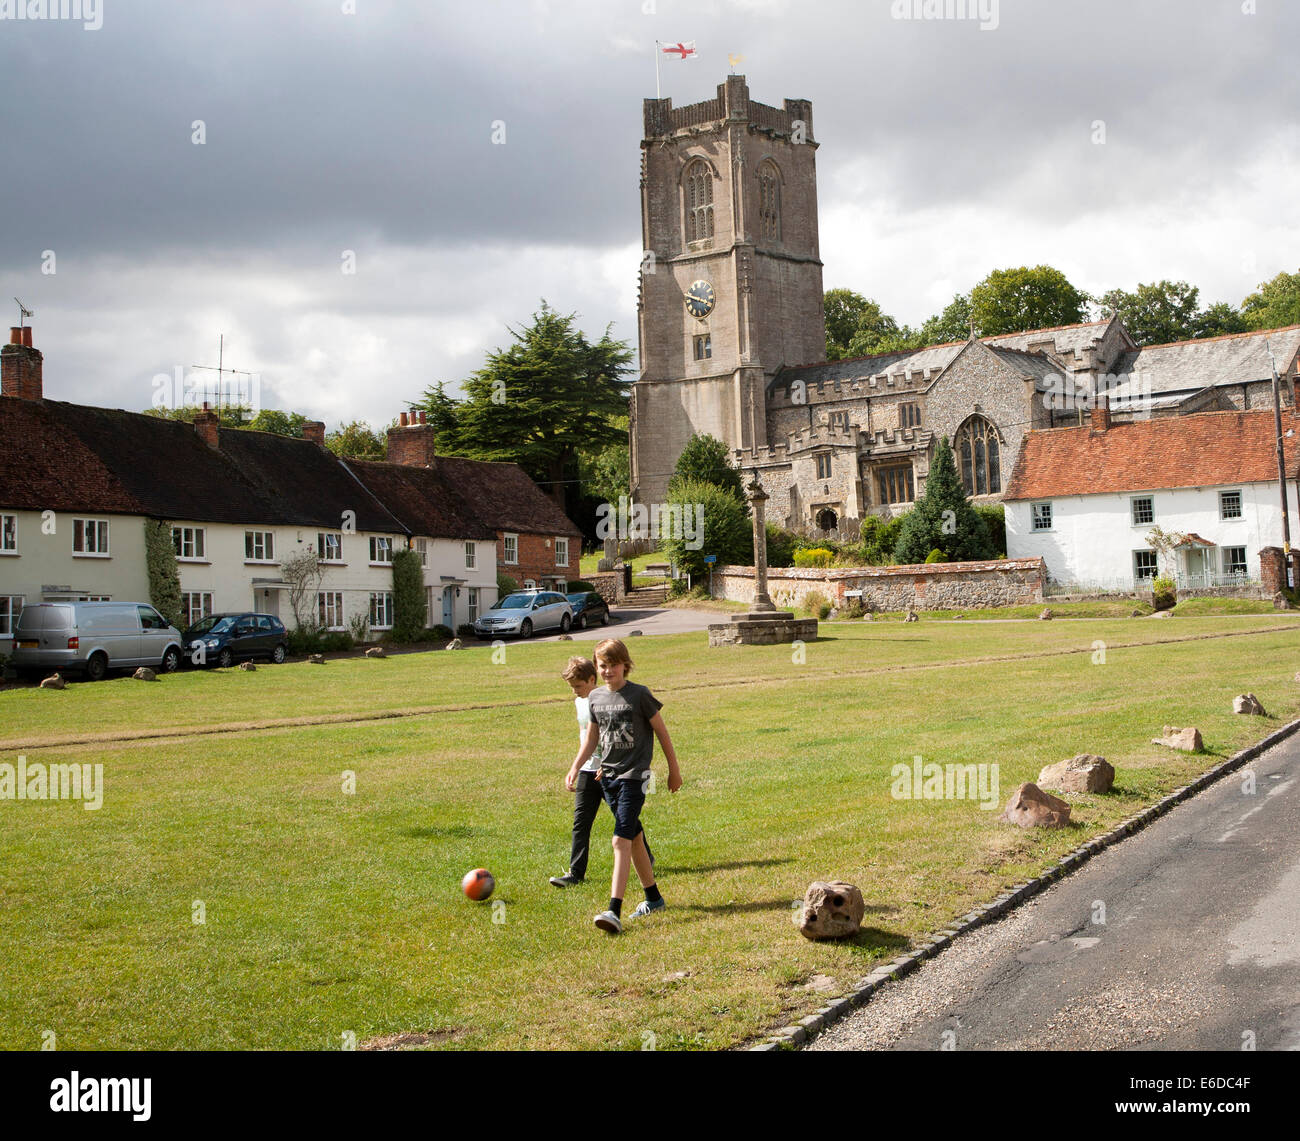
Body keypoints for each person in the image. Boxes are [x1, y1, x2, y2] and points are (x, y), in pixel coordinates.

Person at [565, 638, 681, 935]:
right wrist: (576, 767)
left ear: (625, 665)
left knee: (621, 840)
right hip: (608, 778)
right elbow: (592, 739)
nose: (607, 670)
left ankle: (613, 910)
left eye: (613, 665)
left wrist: (673, 770)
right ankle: (653, 899)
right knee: (635, 836)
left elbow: (663, 733)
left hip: (635, 777)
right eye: (602, 665)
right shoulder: (595, 699)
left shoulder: (640, 695)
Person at [551, 656, 653, 888]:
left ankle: (647, 858)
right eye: (572, 687)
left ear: (591, 679)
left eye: (578, 686)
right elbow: (586, 738)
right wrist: (575, 767)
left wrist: (606, 766)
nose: (575, 691)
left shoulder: (606, 700)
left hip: (611, 772)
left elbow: (613, 739)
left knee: (625, 819)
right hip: (589, 770)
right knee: (581, 822)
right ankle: (575, 873)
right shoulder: (579, 703)